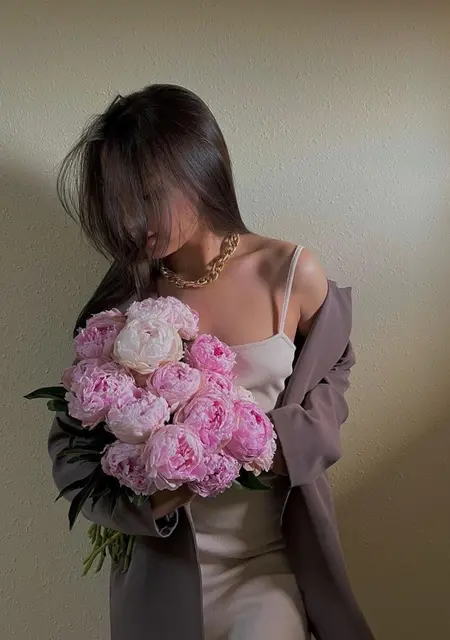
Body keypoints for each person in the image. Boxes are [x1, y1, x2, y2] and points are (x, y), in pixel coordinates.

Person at [49, 84, 373, 640]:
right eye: (119, 203)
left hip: (269, 565)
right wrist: (149, 499)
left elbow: (333, 377)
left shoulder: (288, 273)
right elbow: (69, 454)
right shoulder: (124, 305)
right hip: (162, 578)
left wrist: (270, 444)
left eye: (147, 196)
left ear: (199, 169)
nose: (132, 221)